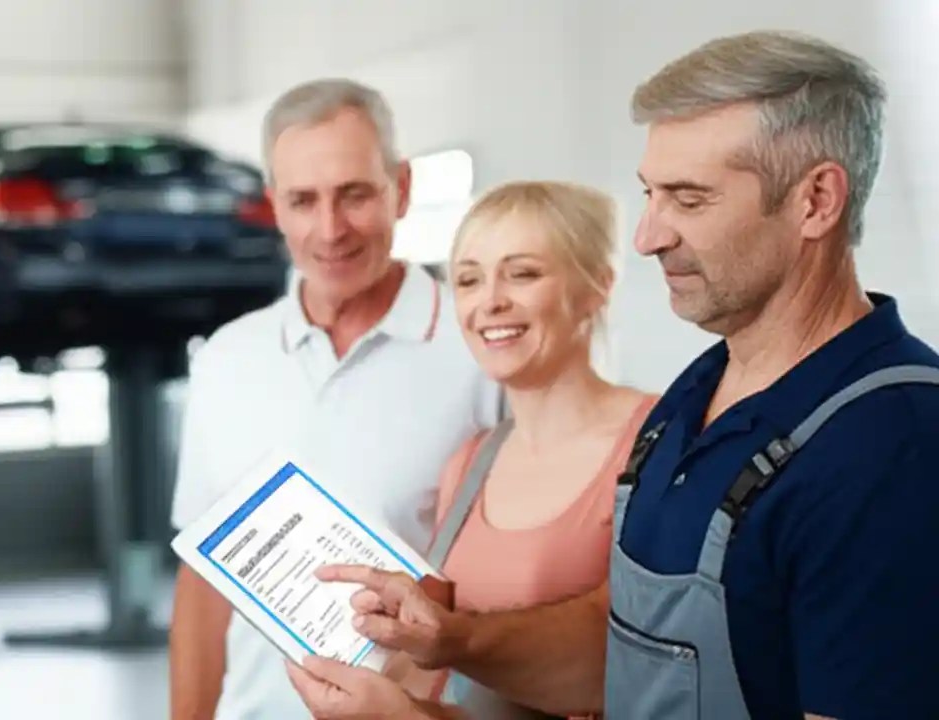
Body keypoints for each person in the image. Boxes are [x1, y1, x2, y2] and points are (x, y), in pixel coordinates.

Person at [286, 29, 939, 719]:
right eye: (650, 195)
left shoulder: (893, 447)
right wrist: (451, 641)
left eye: (688, 200)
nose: (647, 236)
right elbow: (620, 657)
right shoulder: (692, 400)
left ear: (816, 202)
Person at [167, 78, 503, 720]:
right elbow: (203, 587)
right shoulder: (225, 360)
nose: (330, 230)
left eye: (354, 195)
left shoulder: (479, 353)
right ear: (274, 207)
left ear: (401, 190)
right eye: (303, 201)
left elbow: (513, 588)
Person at [389, 181, 655, 719]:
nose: (490, 301)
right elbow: (448, 676)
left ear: (599, 285)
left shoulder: (660, 442)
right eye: (468, 279)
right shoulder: (470, 463)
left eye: (523, 273)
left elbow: (646, 668)